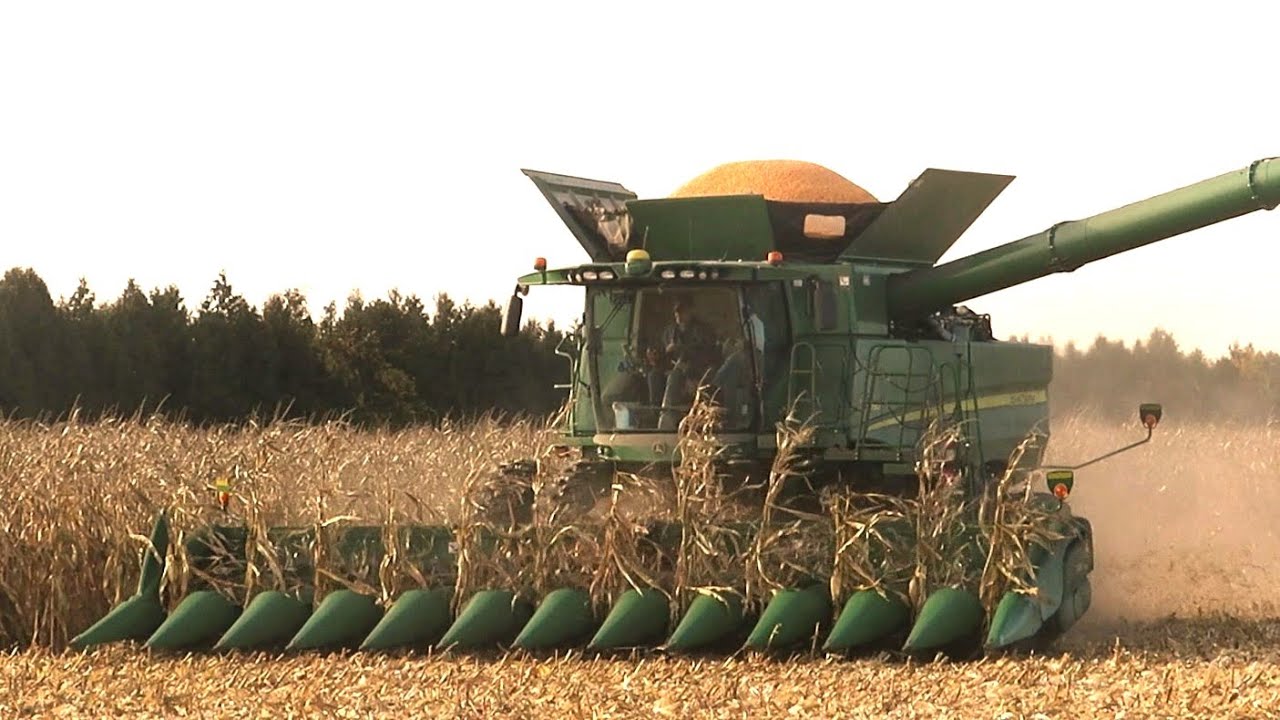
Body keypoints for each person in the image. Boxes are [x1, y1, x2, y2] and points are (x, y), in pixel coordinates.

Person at [648, 297, 718, 429]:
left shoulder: (702, 330)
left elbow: (708, 354)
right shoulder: (669, 332)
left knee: (675, 376)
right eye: (676, 312)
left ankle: (666, 422)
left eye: (682, 311)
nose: (678, 315)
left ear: (691, 311)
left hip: (694, 370)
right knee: (654, 375)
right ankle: (655, 415)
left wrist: (682, 350)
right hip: (672, 368)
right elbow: (663, 354)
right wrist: (656, 356)